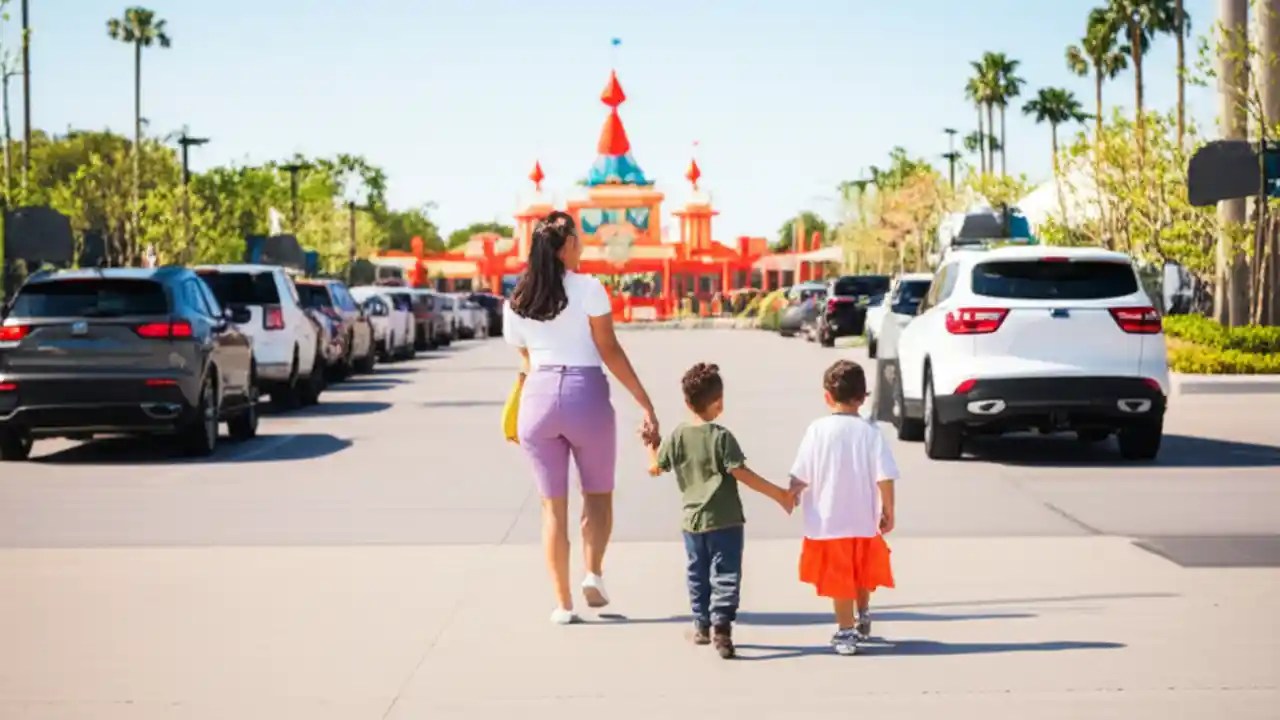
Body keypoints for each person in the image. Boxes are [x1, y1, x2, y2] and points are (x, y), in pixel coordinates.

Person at [503, 211, 660, 625]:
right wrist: (644, 401)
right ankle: (593, 573)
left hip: (537, 400)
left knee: (552, 508)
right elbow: (609, 349)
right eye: (578, 238)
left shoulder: (518, 297)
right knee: (597, 494)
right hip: (585, 395)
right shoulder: (590, 288)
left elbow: (524, 355)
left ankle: (563, 603)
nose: (584, 244)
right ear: (566, 246)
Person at [647, 363, 797, 659]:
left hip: (692, 523)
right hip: (726, 521)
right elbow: (742, 473)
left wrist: (651, 445)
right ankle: (723, 630)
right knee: (725, 574)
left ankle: (702, 626)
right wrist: (779, 494)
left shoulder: (677, 436)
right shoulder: (722, 437)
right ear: (719, 403)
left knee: (697, 573)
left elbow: (654, 468)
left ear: (687, 403)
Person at [788, 359, 897, 656]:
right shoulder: (871, 432)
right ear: (863, 398)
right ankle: (862, 613)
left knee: (840, 576)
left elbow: (800, 473)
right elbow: (885, 476)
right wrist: (889, 510)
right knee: (860, 569)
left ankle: (845, 631)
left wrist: (791, 494)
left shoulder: (817, 430)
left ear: (827, 396)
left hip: (829, 519)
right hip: (863, 518)